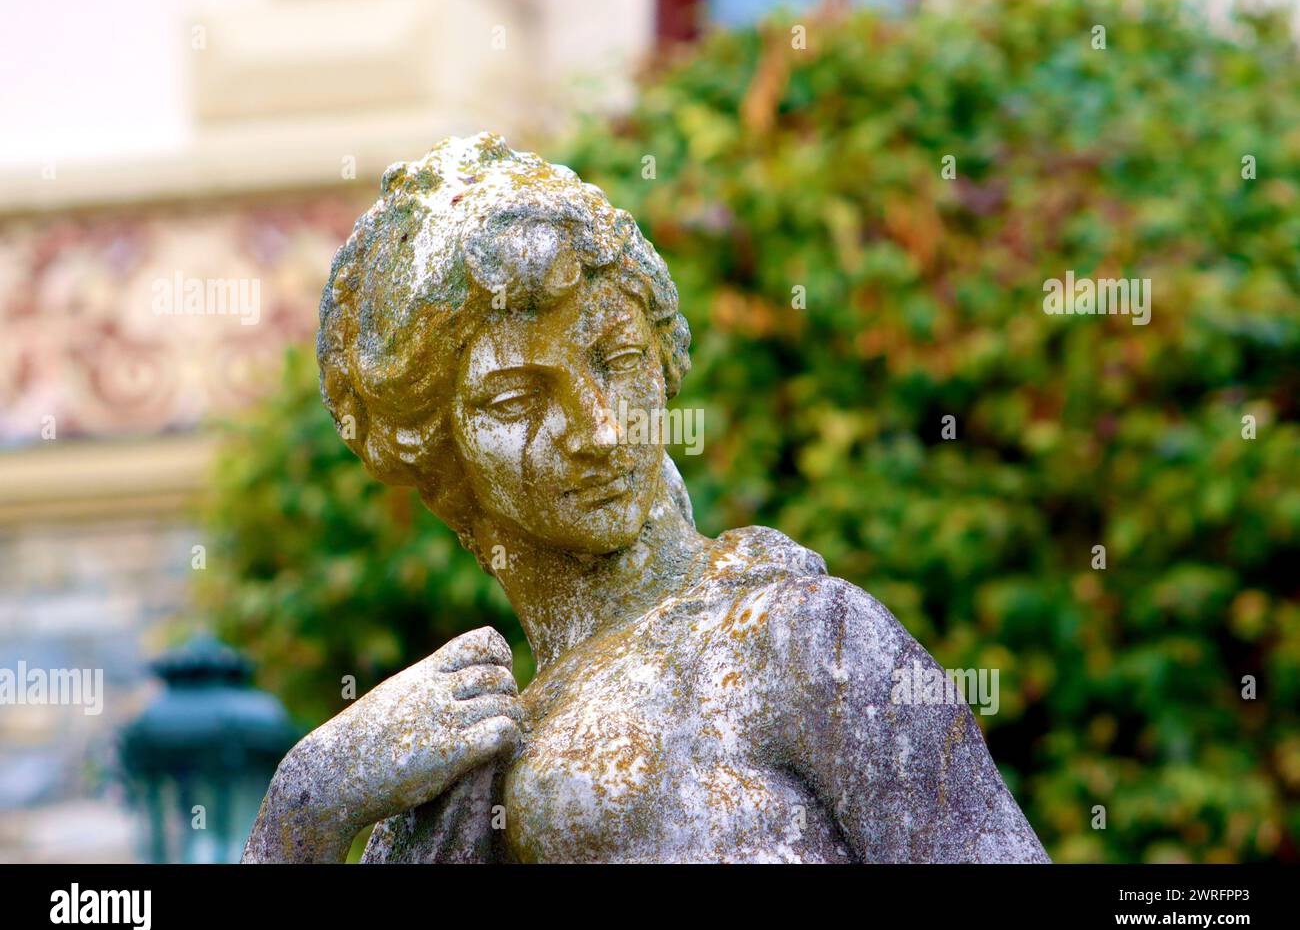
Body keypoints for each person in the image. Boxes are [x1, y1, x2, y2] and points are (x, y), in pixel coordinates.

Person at [242, 133, 1048, 863]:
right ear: (439, 449)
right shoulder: (460, 767)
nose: (598, 430)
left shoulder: (800, 640)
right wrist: (307, 806)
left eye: (619, 359)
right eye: (519, 402)